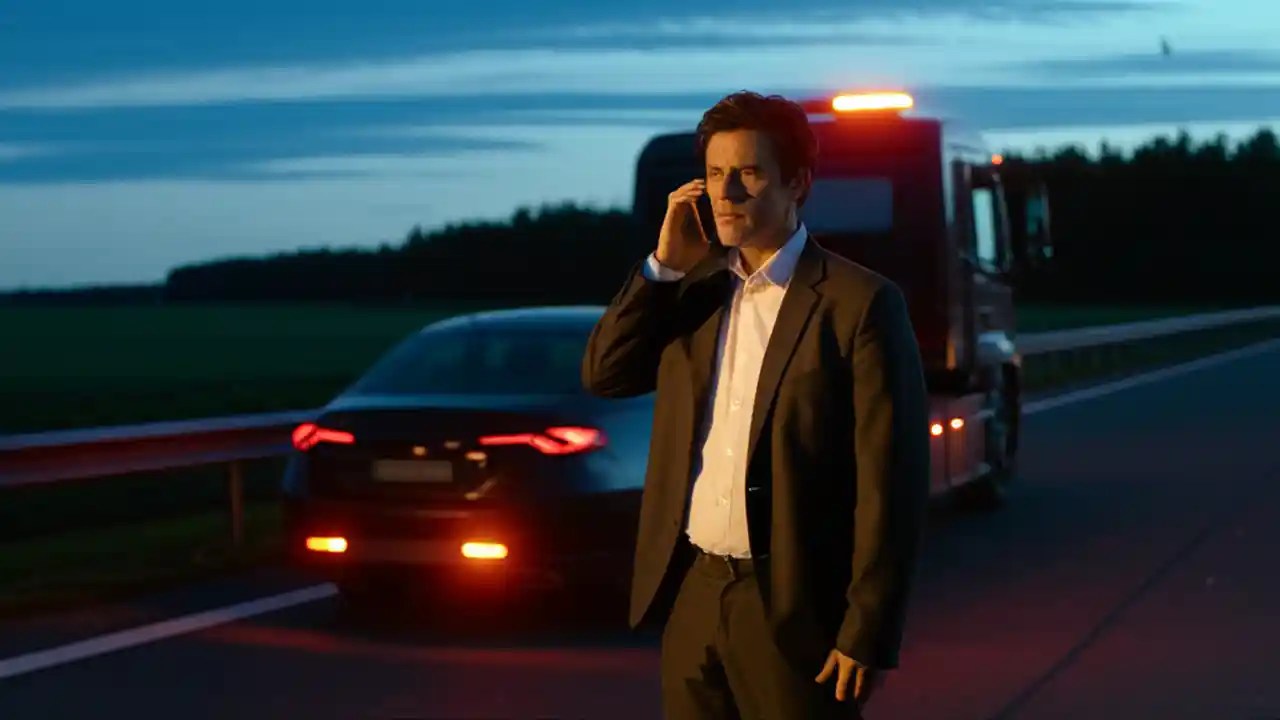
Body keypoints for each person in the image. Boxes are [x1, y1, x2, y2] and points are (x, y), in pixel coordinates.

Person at [581, 90, 931, 719]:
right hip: (693, 589)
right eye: (715, 173)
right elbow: (606, 374)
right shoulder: (692, 290)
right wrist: (662, 267)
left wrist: (867, 629)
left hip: (794, 606)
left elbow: (891, 482)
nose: (727, 192)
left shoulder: (858, 303)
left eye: (749, 173)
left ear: (797, 183)